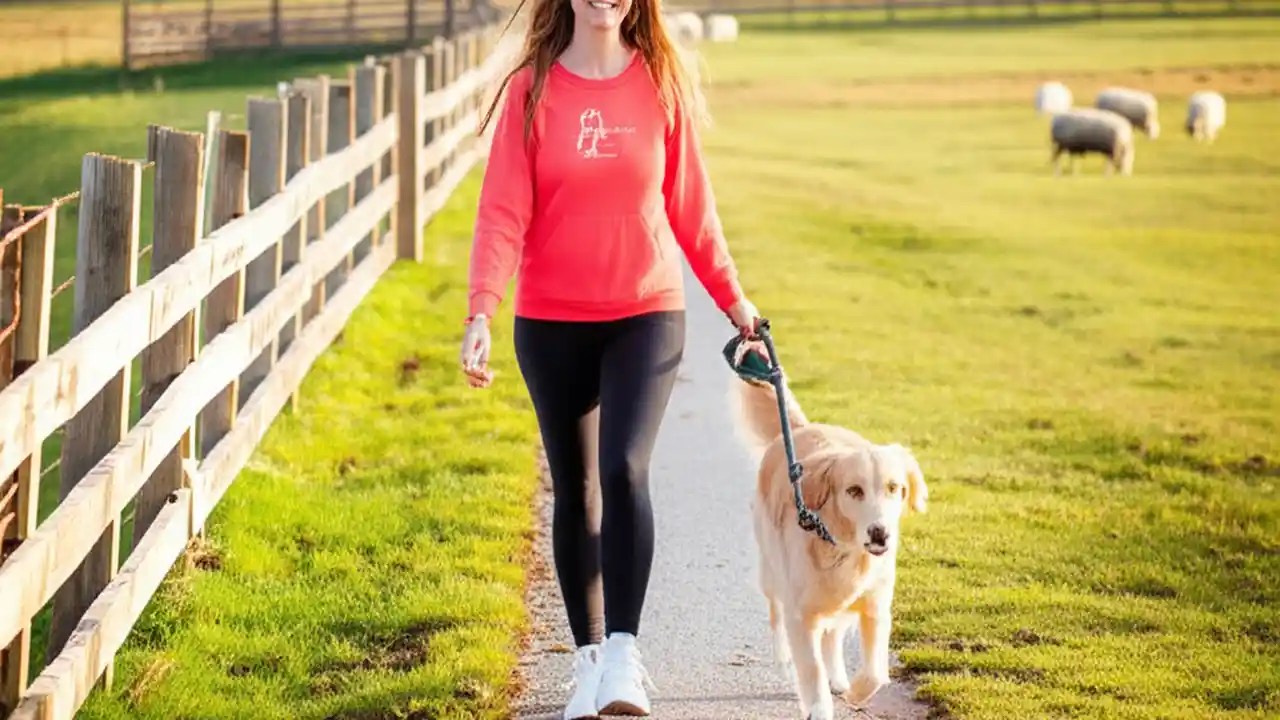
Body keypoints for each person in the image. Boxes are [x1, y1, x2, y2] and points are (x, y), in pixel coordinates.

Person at [458, 0, 759, 715]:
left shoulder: (659, 83)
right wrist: (481, 310)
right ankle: (588, 660)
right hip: (550, 319)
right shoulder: (532, 88)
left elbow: (693, 207)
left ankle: (625, 657)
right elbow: (503, 208)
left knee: (624, 467)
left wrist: (735, 302)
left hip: (646, 311)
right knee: (576, 487)